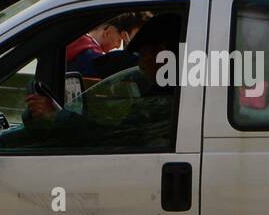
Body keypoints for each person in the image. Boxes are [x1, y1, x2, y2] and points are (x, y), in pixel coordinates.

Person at [24, 12, 182, 148]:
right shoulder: (178, 95)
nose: (140, 64)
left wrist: (56, 117)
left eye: (143, 54)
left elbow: (109, 135)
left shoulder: (163, 101)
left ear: (162, 55)